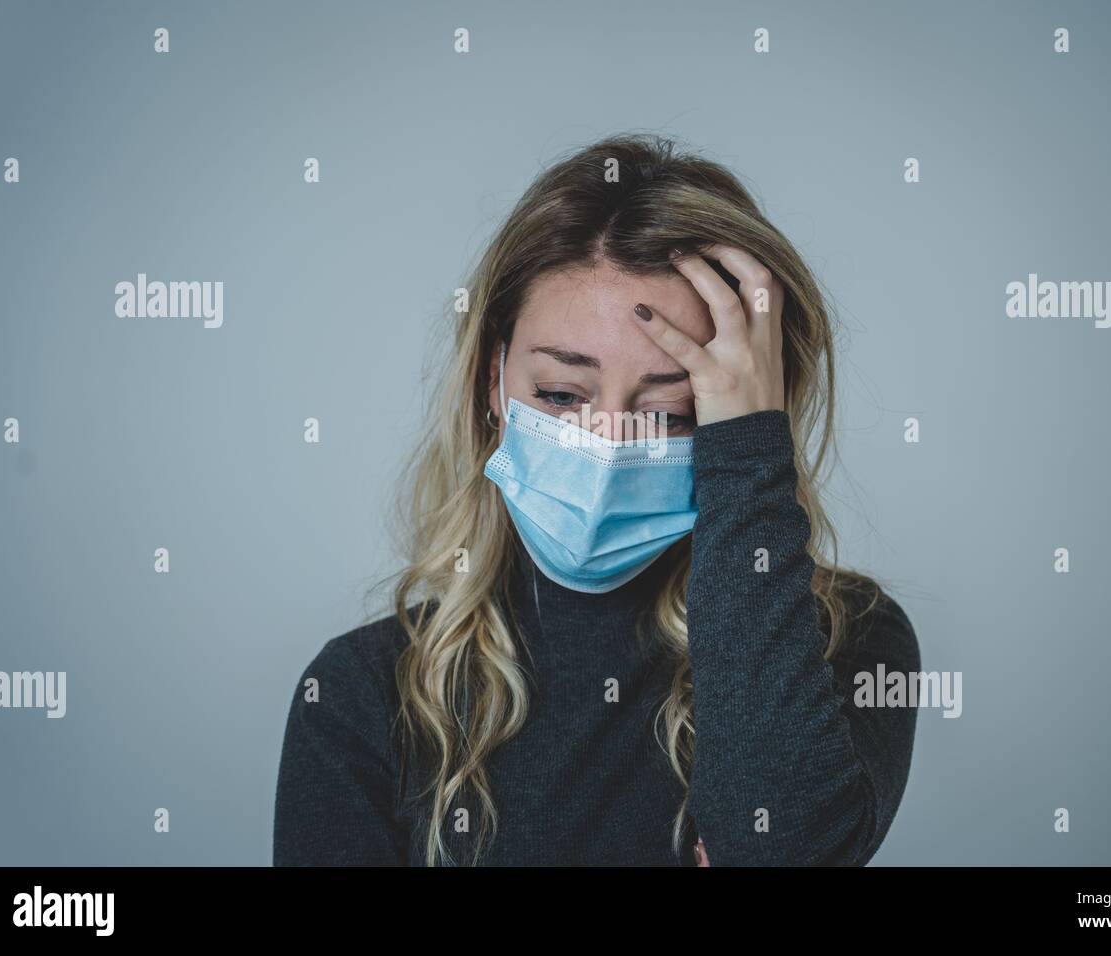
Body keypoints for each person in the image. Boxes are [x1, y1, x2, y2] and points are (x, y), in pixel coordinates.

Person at [273, 132, 921, 866]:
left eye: (672, 411)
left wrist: (746, 455)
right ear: (494, 382)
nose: (608, 445)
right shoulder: (361, 695)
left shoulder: (853, 647)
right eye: (559, 394)